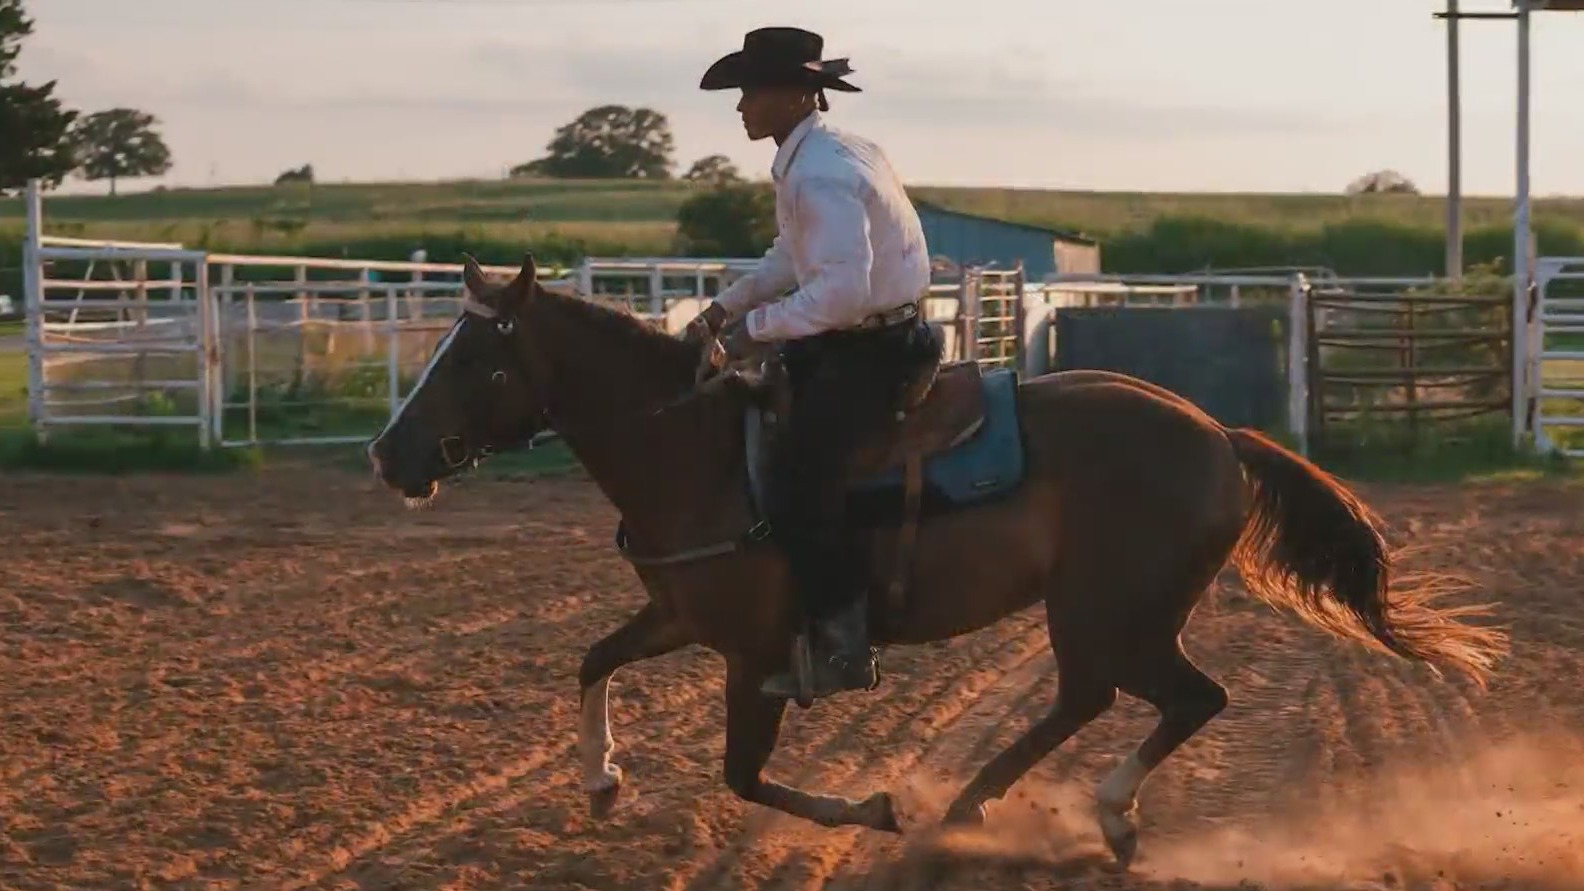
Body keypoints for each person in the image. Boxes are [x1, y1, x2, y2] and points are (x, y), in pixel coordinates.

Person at [684, 26, 942, 702]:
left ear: (800, 95)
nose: (741, 106)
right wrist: (724, 310)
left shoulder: (822, 172)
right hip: (870, 337)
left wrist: (747, 333)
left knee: (799, 479)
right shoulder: (826, 155)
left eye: (753, 91)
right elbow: (791, 259)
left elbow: (840, 292)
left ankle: (844, 645)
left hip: (870, 351)